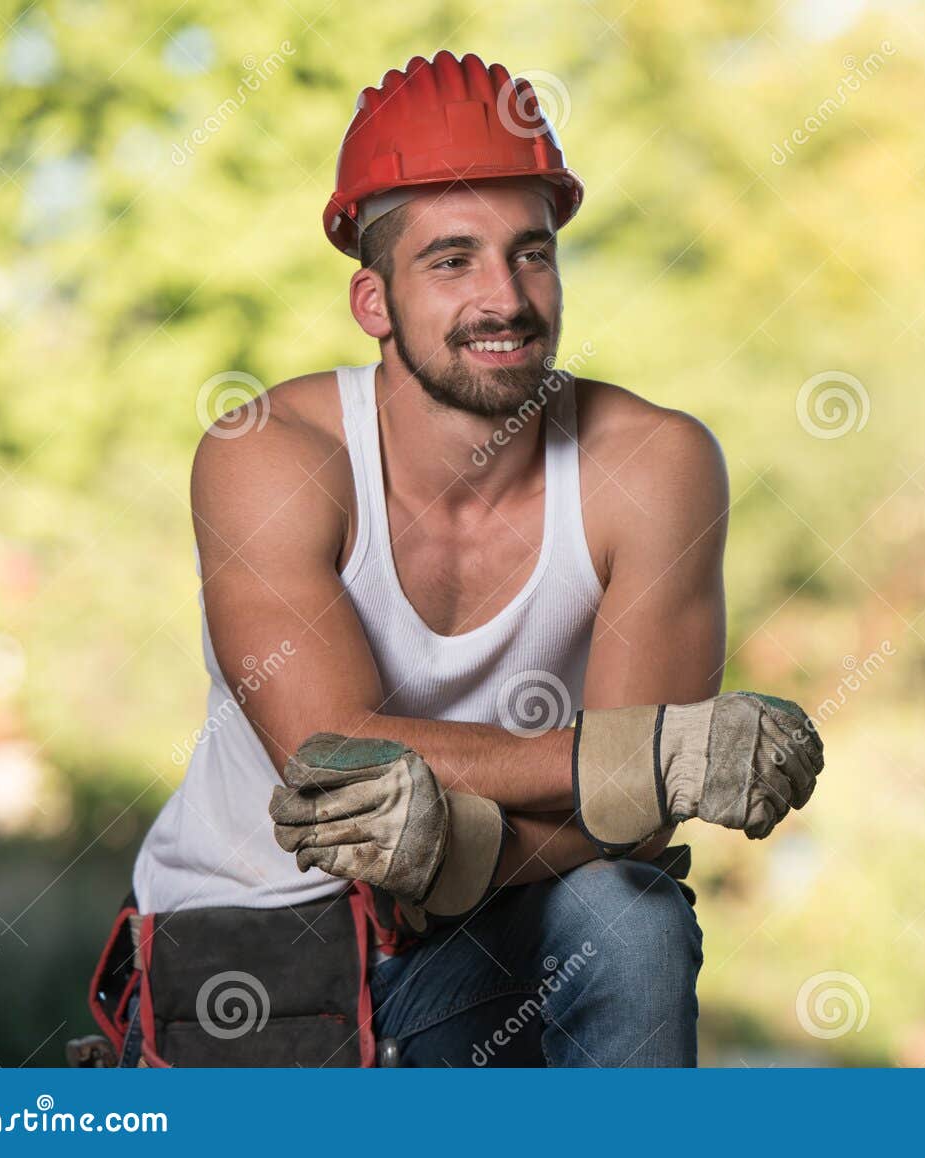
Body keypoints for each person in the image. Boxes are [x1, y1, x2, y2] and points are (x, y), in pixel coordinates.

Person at [115, 50, 823, 1068]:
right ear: (373, 301)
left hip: (484, 942)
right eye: (453, 260)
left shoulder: (654, 464)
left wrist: (464, 855)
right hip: (254, 965)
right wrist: (645, 754)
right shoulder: (267, 454)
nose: (505, 298)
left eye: (530, 253)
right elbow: (337, 759)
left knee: (629, 914)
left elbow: (626, 831)